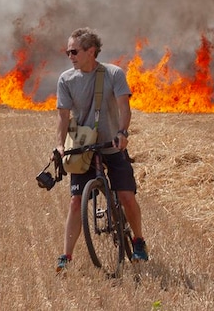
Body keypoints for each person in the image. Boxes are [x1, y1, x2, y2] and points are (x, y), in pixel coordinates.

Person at [54, 27, 147, 273]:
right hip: (83, 148)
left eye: (74, 51)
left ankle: (138, 241)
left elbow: (124, 107)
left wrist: (122, 133)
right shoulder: (66, 79)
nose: (70, 56)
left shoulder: (113, 74)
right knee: (76, 202)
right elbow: (63, 117)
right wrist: (60, 146)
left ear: (91, 51)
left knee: (127, 196)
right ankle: (66, 256)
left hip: (112, 144)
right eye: (67, 51)